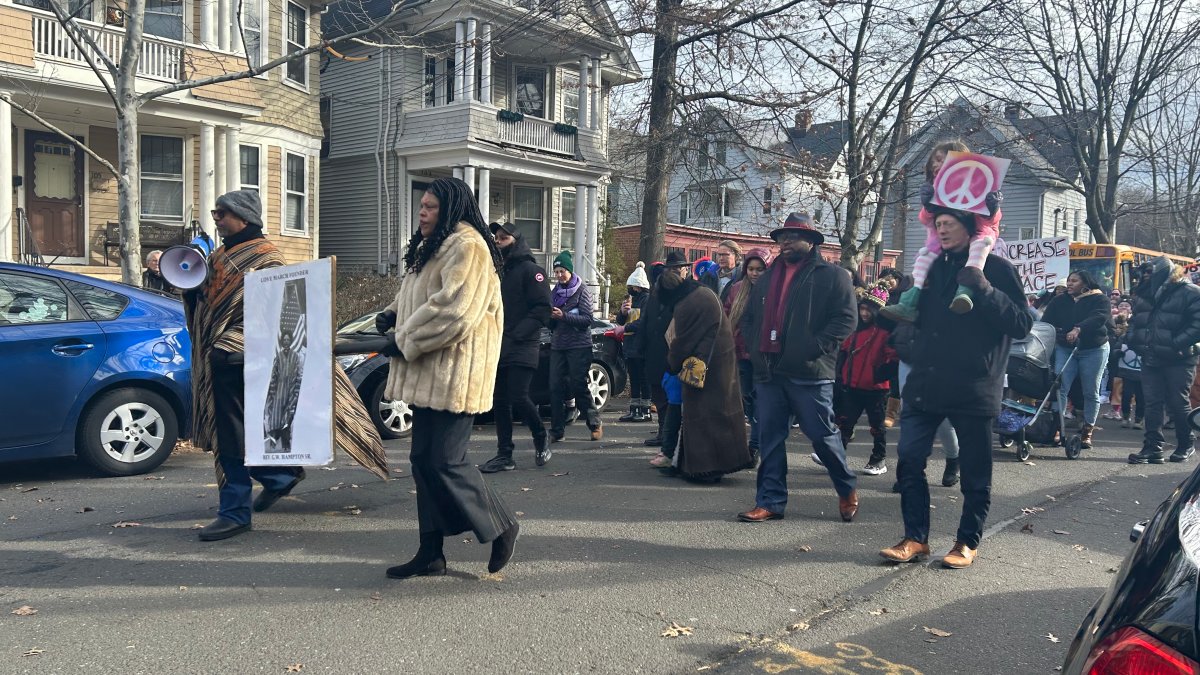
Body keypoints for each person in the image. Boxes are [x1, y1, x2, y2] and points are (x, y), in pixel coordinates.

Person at [185, 190, 387, 542]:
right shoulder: (219, 255)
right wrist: (188, 288)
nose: (216, 218)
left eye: (223, 213)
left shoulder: (268, 261)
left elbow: (279, 315)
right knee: (242, 430)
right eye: (215, 212)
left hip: (240, 360)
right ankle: (279, 476)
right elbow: (209, 298)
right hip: (220, 361)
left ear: (244, 218)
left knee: (232, 436)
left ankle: (235, 512)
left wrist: (231, 343)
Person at [378, 177, 519, 579]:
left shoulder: (469, 246)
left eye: (431, 207)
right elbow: (422, 294)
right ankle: (431, 552)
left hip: (457, 373)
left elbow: (454, 311)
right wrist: (392, 312)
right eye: (421, 205)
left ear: (452, 208)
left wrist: (403, 339)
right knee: (423, 460)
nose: (422, 212)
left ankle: (502, 525)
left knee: (446, 461)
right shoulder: (435, 245)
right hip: (431, 372)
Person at [879, 206, 1031, 569]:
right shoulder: (929, 266)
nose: (942, 230)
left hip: (973, 387)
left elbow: (1022, 323)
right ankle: (916, 538)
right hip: (925, 383)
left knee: (975, 472)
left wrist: (987, 290)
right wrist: (901, 339)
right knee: (910, 461)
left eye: (949, 224)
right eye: (938, 224)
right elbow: (911, 317)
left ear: (971, 226)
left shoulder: (997, 268)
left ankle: (966, 542)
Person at [736, 212, 859, 524]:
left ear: (812, 241)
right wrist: (754, 347)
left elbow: (846, 319)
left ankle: (846, 487)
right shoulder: (765, 279)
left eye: (792, 236)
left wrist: (813, 348)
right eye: (781, 237)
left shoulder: (832, 276)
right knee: (770, 438)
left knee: (822, 436)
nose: (784, 242)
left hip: (810, 372)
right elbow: (748, 318)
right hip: (769, 370)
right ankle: (770, 501)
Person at [883, 141, 1003, 322]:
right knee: (925, 256)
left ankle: (965, 291)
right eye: (936, 160)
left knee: (980, 245)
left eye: (945, 161)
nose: (938, 165)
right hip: (940, 241)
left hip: (979, 232)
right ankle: (909, 301)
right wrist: (929, 206)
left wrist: (991, 207)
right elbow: (925, 219)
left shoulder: (976, 188)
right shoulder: (934, 190)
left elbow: (987, 220)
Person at [662, 255, 752, 481]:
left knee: (702, 417)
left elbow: (682, 341)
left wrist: (672, 363)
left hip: (704, 365)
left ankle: (706, 470)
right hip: (721, 360)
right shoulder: (701, 293)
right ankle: (693, 464)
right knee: (720, 415)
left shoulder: (686, 304)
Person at [480, 222, 552, 473]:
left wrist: (517, 333)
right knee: (500, 400)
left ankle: (540, 435)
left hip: (523, 346)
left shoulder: (531, 271)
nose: (498, 241)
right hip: (498, 345)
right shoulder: (498, 273)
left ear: (517, 241)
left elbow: (543, 308)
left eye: (504, 237)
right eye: (496, 237)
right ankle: (504, 455)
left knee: (518, 396)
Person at [1125, 256, 1200, 464]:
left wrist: (1175, 343)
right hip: (1151, 355)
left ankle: (1186, 444)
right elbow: (1135, 321)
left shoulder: (1190, 292)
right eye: (1144, 272)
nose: (1146, 275)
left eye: (1150, 272)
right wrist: (1133, 340)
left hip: (1179, 358)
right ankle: (1152, 447)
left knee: (1178, 402)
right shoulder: (1143, 293)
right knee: (1152, 403)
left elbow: (1198, 324)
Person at [1040, 270, 1112, 449]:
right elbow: (1046, 321)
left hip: (1093, 349)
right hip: (1065, 348)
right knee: (1060, 387)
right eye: (1069, 281)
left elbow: (1099, 318)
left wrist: (1078, 329)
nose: (1069, 284)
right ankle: (1057, 428)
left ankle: (1087, 431)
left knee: (1090, 390)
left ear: (1085, 284)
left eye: (1074, 281)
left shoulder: (1099, 299)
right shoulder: (1059, 300)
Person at [836, 284, 898, 476]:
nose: (864, 313)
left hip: (876, 389)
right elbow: (844, 351)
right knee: (845, 423)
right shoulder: (854, 330)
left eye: (868, 310)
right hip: (852, 385)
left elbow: (892, 358)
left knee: (877, 426)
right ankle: (835, 455)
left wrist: (879, 374)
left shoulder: (884, 334)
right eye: (861, 309)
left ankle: (878, 458)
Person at [723, 247, 772, 463]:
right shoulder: (736, 289)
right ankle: (757, 440)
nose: (754, 273)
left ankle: (755, 446)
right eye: (751, 269)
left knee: (762, 401)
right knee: (746, 400)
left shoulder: (774, 291)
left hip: (765, 356)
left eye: (759, 269)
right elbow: (725, 316)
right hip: (740, 353)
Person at [549, 251, 603, 442]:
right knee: (554, 386)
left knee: (578, 384)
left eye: (562, 271)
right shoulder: (554, 293)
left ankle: (594, 423)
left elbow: (587, 320)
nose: (559, 275)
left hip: (579, 345)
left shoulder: (582, 290)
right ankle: (557, 430)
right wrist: (548, 318)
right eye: (556, 272)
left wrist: (563, 316)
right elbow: (551, 323)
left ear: (570, 271)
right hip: (558, 345)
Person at [616, 262, 652, 423]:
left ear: (638, 286)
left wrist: (625, 328)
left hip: (642, 346)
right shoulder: (631, 300)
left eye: (632, 286)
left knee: (644, 378)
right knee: (634, 379)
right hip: (630, 346)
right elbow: (620, 320)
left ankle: (645, 410)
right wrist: (623, 313)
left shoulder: (647, 300)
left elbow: (644, 322)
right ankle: (634, 409)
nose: (630, 289)